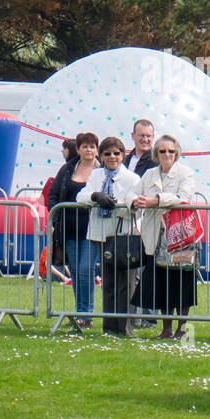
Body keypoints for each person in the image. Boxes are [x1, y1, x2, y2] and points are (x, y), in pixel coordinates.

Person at [132, 135, 197, 339]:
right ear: (156, 153)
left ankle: (182, 327)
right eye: (162, 151)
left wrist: (156, 201)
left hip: (181, 234)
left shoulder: (185, 173)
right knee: (163, 283)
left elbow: (183, 198)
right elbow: (134, 193)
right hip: (157, 235)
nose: (167, 154)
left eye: (170, 151)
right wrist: (135, 201)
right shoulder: (149, 174)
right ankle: (166, 328)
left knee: (183, 281)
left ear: (176, 152)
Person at [77, 137, 141, 335]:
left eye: (116, 153)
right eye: (107, 154)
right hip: (102, 235)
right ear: (101, 156)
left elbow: (136, 206)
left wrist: (119, 205)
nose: (112, 157)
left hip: (123, 235)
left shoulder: (132, 178)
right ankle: (109, 327)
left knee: (126, 283)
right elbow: (81, 197)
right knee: (109, 283)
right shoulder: (96, 175)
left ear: (122, 155)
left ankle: (125, 327)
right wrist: (96, 196)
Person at [50, 132, 99, 326]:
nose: (89, 150)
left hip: (92, 229)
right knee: (77, 271)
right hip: (69, 229)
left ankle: (86, 314)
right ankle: (81, 314)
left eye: (92, 146)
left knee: (87, 269)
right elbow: (53, 194)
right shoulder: (67, 170)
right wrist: (55, 214)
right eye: (85, 146)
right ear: (77, 149)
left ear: (97, 149)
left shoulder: (101, 171)